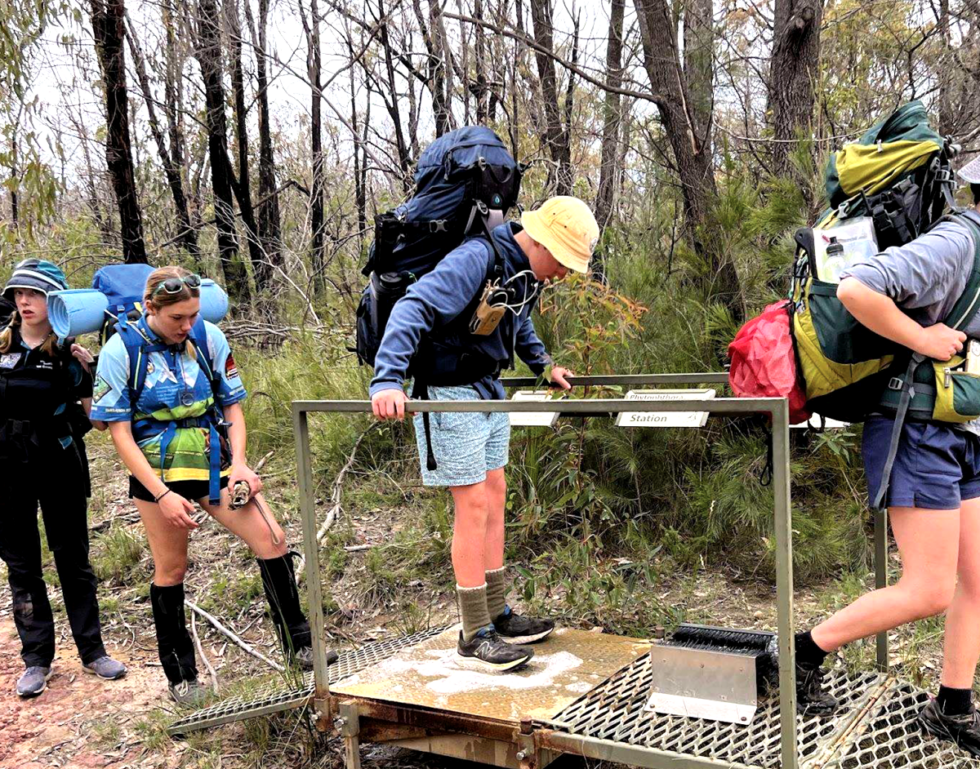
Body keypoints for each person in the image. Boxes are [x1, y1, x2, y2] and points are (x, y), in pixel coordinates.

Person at [793, 156, 980, 756]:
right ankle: (799, 653)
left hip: (965, 431)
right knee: (930, 589)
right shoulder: (958, 240)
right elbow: (855, 287)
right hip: (919, 427)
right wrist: (924, 339)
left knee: (978, 582)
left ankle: (952, 706)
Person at [370, 196, 600, 672]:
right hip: (449, 392)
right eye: (562, 261)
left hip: (487, 387)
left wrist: (543, 366)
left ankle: (497, 612)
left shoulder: (522, 271)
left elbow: (517, 319)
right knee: (472, 502)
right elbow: (415, 306)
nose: (561, 274)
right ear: (540, 241)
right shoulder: (477, 257)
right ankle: (475, 632)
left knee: (495, 492)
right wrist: (388, 378)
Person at [90, 266, 335, 707]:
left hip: (212, 456)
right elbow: (120, 435)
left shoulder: (207, 337)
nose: (187, 326)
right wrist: (162, 495)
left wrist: (240, 464)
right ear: (150, 308)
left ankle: (300, 645)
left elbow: (233, 407)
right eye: (177, 318)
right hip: (158, 468)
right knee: (172, 569)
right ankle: (181, 675)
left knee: (273, 539)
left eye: (193, 315)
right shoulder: (120, 350)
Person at [0, 259, 127, 698]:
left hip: (58, 460)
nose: (24, 301)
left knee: (72, 559)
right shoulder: (0, 346)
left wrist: (92, 372)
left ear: (56, 300)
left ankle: (93, 651)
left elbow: (96, 422)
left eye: (34, 294)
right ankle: (36, 660)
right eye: (19, 293)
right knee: (22, 567)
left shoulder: (70, 353)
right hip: (7, 466)